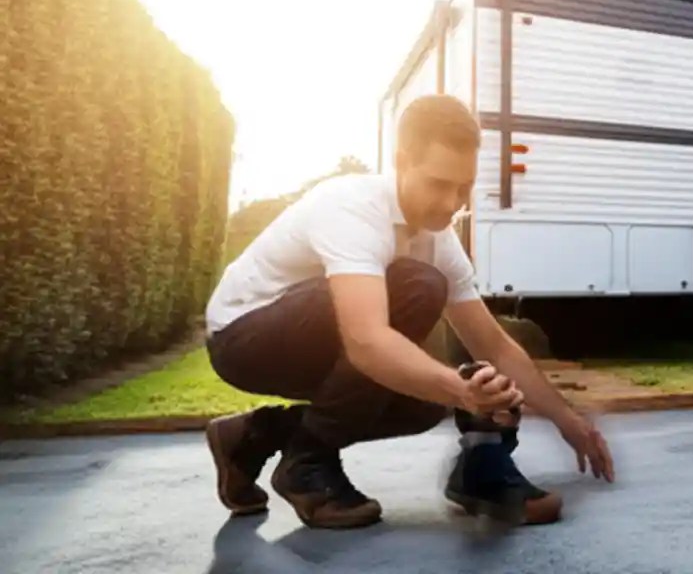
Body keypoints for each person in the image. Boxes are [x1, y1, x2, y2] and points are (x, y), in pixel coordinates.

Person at [201, 94, 614, 530]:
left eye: (464, 187)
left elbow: (493, 344)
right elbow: (365, 341)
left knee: (422, 405)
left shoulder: (438, 238)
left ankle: (253, 436)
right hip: (242, 336)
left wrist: (567, 420)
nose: (452, 202)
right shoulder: (353, 207)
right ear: (401, 161)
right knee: (418, 288)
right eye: (439, 184)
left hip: (308, 337)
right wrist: (462, 392)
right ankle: (305, 466)